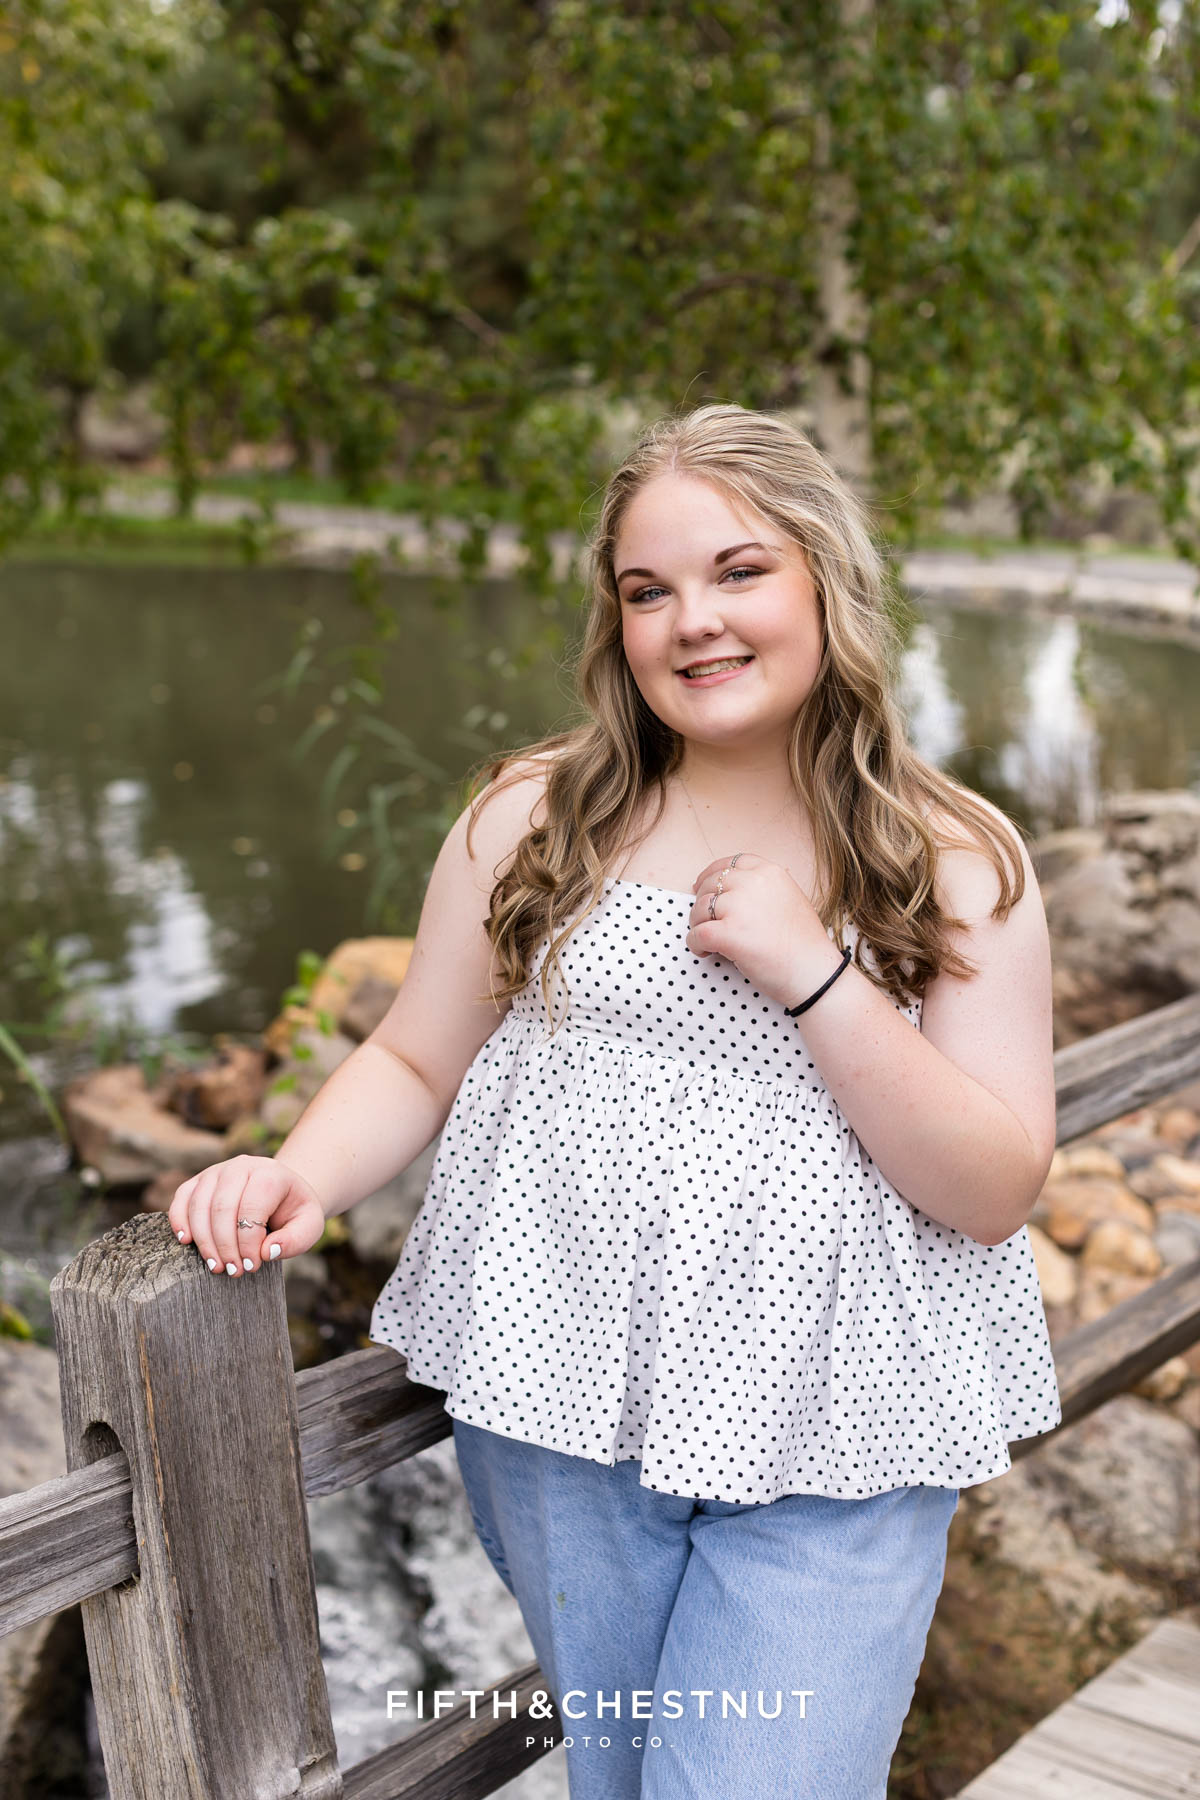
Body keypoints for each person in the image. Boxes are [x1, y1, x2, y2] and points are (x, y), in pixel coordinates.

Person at [169, 402, 1063, 1800]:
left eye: (739, 571)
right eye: (647, 591)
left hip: (840, 1432)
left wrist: (816, 978)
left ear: (827, 575)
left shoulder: (947, 856)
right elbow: (414, 1057)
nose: (690, 621)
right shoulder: (539, 817)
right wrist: (302, 1175)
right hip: (564, 1406)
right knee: (628, 1777)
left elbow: (995, 1185)